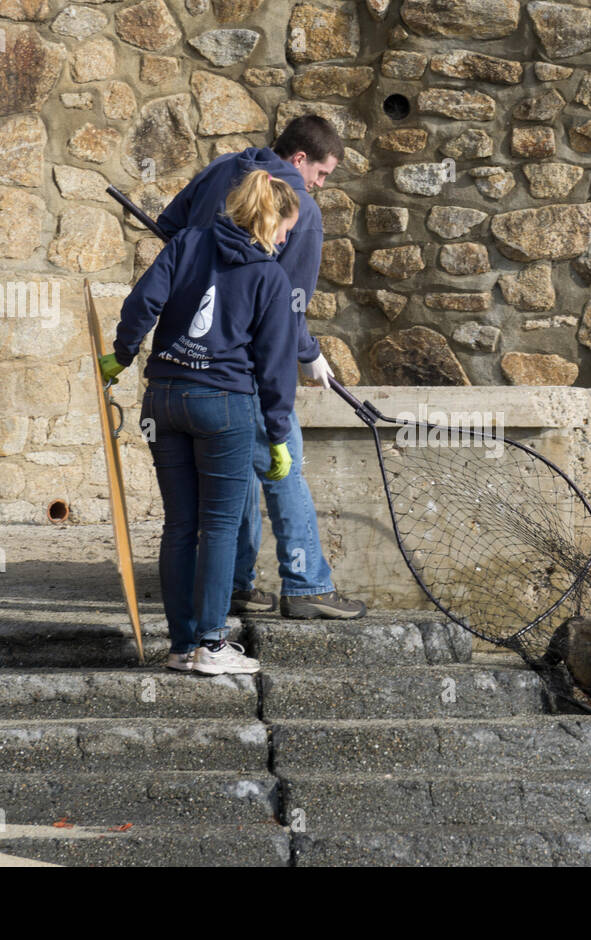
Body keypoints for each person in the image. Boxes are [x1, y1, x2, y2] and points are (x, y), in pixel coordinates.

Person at [156, 115, 366, 621]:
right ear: (299, 160)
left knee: (234, 476)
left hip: (187, 360)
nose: (318, 185)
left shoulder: (222, 168)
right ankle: (307, 585)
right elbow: (286, 307)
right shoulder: (302, 209)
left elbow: (168, 230)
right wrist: (309, 352)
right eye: (322, 173)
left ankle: (234, 583)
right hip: (246, 368)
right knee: (282, 463)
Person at [98, 171, 301, 675]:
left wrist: (121, 356)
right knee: (219, 527)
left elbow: (142, 303)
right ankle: (212, 645)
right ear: (269, 221)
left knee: (181, 526)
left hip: (164, 398)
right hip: (224, 406)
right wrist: (277, 435)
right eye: (285, 230)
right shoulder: (270, 277)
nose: (285, 239)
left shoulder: (187, 242)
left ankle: (182, 645)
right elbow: (276, 365)